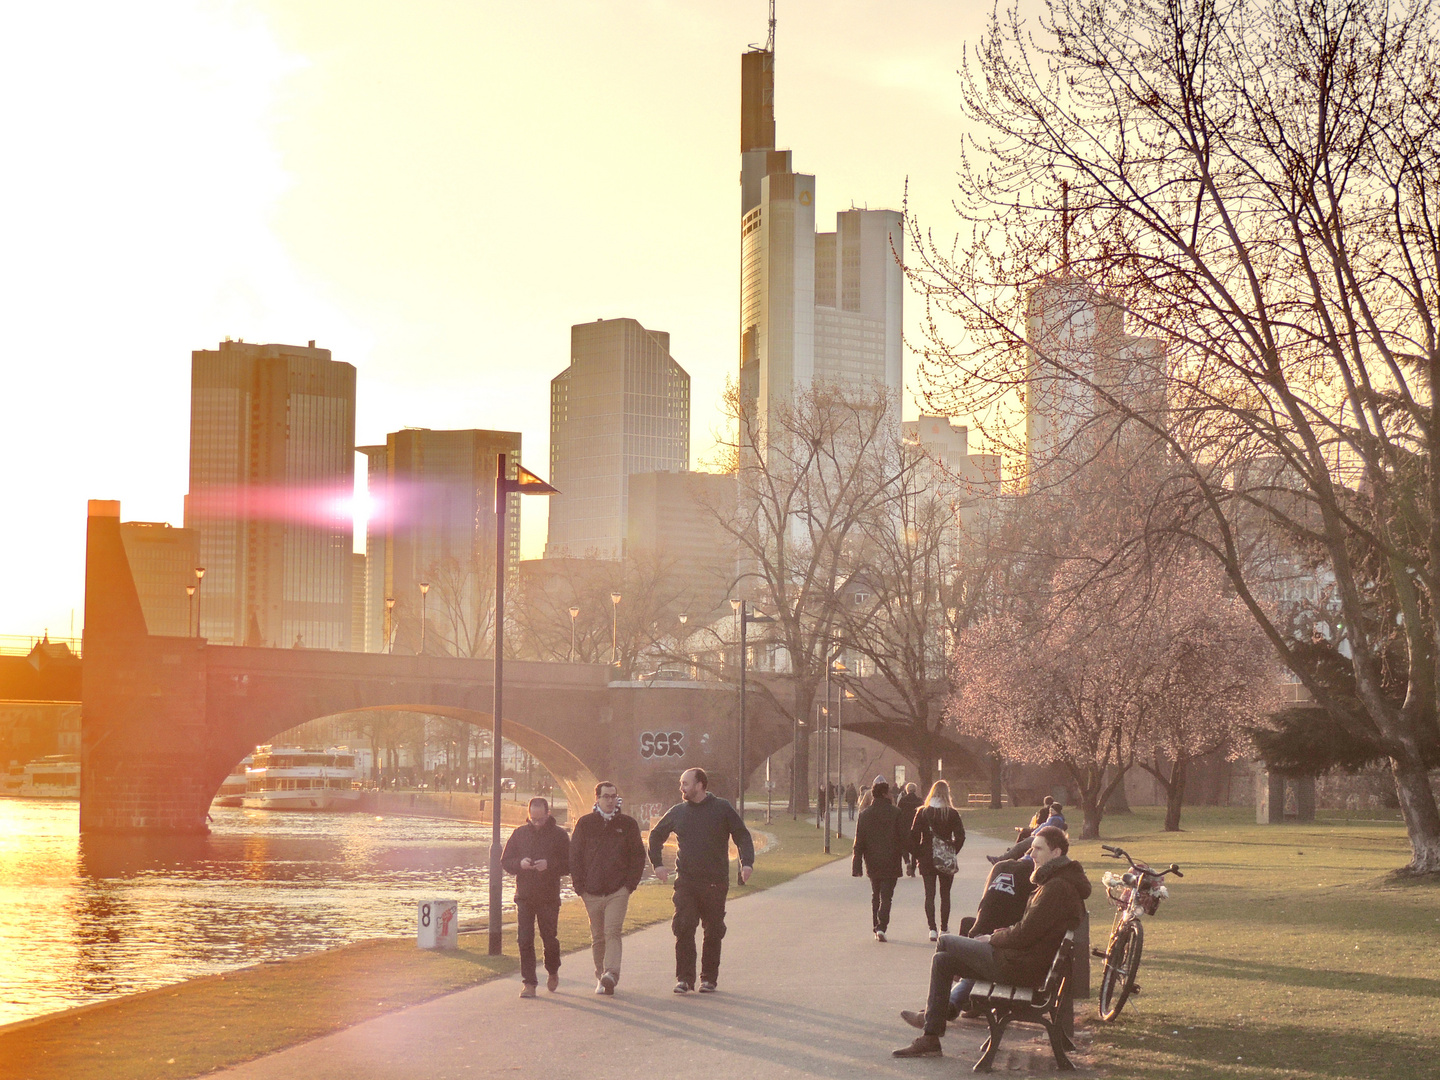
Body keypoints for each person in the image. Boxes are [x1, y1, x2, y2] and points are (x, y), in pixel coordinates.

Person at [893, 825, 1091, 1058]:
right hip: (1024, 962)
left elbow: (1024, 934)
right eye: (1032, 848)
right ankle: (931, 1037)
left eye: (1038, 849)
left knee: (945, 942)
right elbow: (1029, 929)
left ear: (1056, 853)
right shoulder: (1057, 881)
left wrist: (993, 937)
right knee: (943, 961)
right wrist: (1005, 932)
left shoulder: (1056, 887)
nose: (1032, 854)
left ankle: (933, 1019)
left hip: (1020, 967)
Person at [649, 767, 755, 994]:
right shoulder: (678, 812)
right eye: (681, 783)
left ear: (700, 785)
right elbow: (657, 835)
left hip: (715, 881)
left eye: (685, 783)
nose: (681, 788)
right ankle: (684, 979)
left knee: (714, 930)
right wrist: (657, 864)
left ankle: (708, 979)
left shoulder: (722, 808)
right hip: (686, 880)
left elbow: (742, 835)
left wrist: (746, 862)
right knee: (684, 926)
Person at [569, 780, 648, 995]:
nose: (611, 800)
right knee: (598, 936)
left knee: (612, 930)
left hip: (617, 890)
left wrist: (629, 885)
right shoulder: (585, 824)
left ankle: (611, 973)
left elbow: (638, 856)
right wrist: (579, 887)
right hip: (591, 890)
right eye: (606, 796)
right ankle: (600, 975)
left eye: (614, 796)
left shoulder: (627, 824)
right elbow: (574, 855)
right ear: (597, 799)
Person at [500, 796, 571, 998]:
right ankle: (529, 983)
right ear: (528, 816)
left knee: (549, 938)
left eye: (540, 819)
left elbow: (570, 863)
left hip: (548, 895)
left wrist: (549, 865)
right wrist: (519, 864)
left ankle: (553, 969)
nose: (537, 823)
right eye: (533, 819)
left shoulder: (559, 835)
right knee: (524, 939)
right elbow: (505, 861)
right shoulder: (519, 834)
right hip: (524, 895)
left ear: (548, 815)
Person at [909, 780, 966, 941]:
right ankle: (944, 927)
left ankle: (932, 928)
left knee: (930, 894)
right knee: (945, 894)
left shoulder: (922, 812)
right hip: (945, 857)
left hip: (927, 856)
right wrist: (953, 850)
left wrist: (919, 853)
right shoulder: (951, 813)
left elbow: (913, 836)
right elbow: (961, 836)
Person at [850, 780, 906, 941]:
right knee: (887, 896)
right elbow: (903, 837)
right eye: (888, 792)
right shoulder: (896, 813)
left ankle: (877, 927)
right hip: (891, 859)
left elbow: (859, 841)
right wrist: (910, 857)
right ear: (884, 794)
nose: (891, 795)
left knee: (876, 894)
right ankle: (882, 926)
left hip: (872, 859)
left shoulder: (865, 815)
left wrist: (857, 864)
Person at [896, 782, 923, 877]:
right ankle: (913, 868)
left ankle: (907, 862)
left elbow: (897, 813)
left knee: (904, 846)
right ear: (915, 790)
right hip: (916, 827)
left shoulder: (903, 800)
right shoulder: (919, 801)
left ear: (907, 790)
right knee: (915, 846)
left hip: (904, 826)